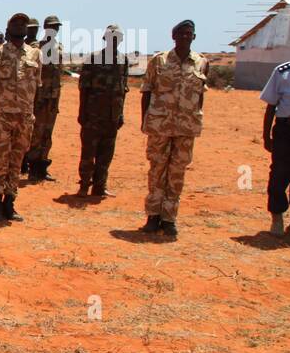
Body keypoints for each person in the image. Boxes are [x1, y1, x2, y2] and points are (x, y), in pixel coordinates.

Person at [139, 20, 207, 239]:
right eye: (182, 33)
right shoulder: (159, 60)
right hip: (160, 126)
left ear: (194, 38)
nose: (186, 37)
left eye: (189, 34)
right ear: (173, 36)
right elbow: (147, 91)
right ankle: (152, 216)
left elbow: (200, 97)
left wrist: (194, 117)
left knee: (177, 173)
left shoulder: (202, 63)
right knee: (157, 170)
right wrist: (145, 121)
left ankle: (169, 219)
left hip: (186, 128)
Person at [0, 13, 42, 222]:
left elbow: (37, 88)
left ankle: (10, 202)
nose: (20, 26)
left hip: (24, 118)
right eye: (16, 23)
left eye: (23, 23)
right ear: (9, 27)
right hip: (2, 116)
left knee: (17, 161)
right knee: (1, 160)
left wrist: (33, 115)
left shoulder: (35, 54)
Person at [76, 24, 129, 199]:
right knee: (88, 152)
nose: (115, 40)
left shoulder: (123, 60)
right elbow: (84, 87)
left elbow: (123, 89)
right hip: (93, 114)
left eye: (118, 37)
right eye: (111, 37)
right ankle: (84, 185)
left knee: (106, 153)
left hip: (112, 115)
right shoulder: (93, 58)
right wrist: (82, 112)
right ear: (105, 38)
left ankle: (100, 186)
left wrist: (121, 113)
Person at [260, 47, 290, 235]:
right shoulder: (283, 72)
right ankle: (277, 218)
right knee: (279, 175)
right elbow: (270, 106)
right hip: (286, 131)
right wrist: (266, 136)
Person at [26, 15, 65, 180]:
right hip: (40, 97)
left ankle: (43, 166)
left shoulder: (59, 48)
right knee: (36, 133)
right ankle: (33, 167)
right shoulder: (37, 48)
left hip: (53, 97)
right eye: (51, 26)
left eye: (56, 27)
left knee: (48, 134)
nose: (54, 29)